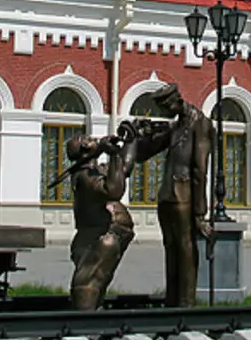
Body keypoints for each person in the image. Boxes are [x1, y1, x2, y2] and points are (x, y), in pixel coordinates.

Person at [132, 83, 213, 307]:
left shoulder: (200, 123)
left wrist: (200, 213)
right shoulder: (177, 125)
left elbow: (200, 169)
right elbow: (142, 154)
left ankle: (186, 303)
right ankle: (172, 300)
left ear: (174, 102)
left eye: (164, 109)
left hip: (184, 195)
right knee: (171, 247)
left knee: (185, 248)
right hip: (167, 196)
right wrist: (139, 134)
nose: (163, 114)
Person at [66, 123, 138, 310]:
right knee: (90, 279)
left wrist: (130, 140)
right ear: (83, 149)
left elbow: (123, 170)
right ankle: (83, 324)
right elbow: (113, 190)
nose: (94, 140)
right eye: (88, 140)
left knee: (100, 278)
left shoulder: (96, 170)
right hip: (97, 238)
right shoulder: (84, 175)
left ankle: (93, 317)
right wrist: (113, 153)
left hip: (109, 235)